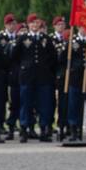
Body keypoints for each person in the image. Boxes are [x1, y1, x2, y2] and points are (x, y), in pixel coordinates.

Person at [15, 12, 56, 143]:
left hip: (43, 77)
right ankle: (24, 128)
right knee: (26, 104)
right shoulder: (23, 38)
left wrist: (47, 69)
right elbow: (15, 56)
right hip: (27, 77)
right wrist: (23, 68)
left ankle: (44, 128)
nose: (35, 25)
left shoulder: (46, 39)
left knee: (44, 104)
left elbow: (53, 56)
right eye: (32, 22)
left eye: (37, 22)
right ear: (28, 24)